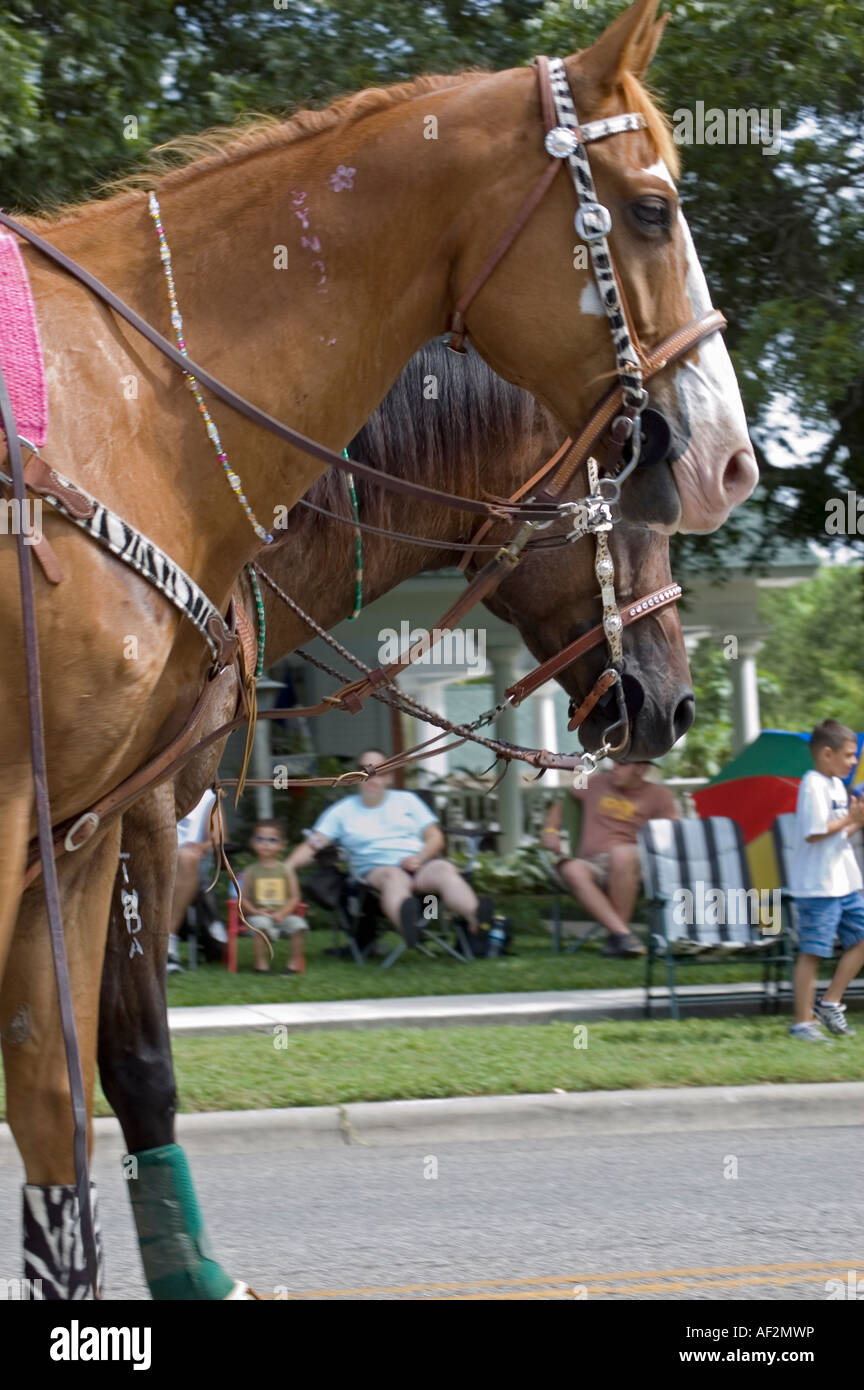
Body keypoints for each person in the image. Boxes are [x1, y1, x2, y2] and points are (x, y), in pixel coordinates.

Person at [285, 749, 493, 947]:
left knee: (444, 869)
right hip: (375, 871)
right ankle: (409, 927)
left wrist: (420, 857)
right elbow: (313, 845)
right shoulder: (341, 811)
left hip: (419, 866)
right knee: (393, 876)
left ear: (389, 777)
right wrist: (287, 867)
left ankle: (478, 919)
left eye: (379, 770)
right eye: (363, 770)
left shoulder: (408, 801)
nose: (370, 776)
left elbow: (435, 837)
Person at [541, 760, 678, 956]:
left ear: (640, 769)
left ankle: (620, 937)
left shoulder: (661, 796)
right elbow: (561, 803)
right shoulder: (592, 782)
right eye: (615, 762)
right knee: (572, 869)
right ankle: (622, 936)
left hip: (632, 865)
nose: (614, 767)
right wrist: (550, 830)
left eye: (622, 763)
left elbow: (670, 836)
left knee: (621, 854)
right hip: (591, 864)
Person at [788, 719, 864, 1042]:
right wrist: (849, 818)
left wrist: (856, 824)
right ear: (827, 754)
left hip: (844, 881)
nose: (854, 761)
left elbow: (836, 834)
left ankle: (830, 1002)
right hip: (818, 885)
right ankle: (803, 1023)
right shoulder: (813, 784)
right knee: (813, 952)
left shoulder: (836, 785)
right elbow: (814, 832)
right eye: (849, 755)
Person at [239, 820, 308, 975]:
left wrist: (282, 913)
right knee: (261, 925)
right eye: (260, 839)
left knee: (299, 926)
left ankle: (293, 963)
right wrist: (256, 912)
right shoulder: (251, 871)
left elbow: (295, 897)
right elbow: (243, 899)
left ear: (282, 845)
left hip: (283, 916)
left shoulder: (286, 870)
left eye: (272, 840)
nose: (265, 844)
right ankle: (260, 965)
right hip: (259, 916)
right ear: (253, 843)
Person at [168, 788, 218, 974]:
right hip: (155, 857)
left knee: (187, 857)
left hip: (189, 863)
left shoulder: (208, 797)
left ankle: (168, 945)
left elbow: (217, 838)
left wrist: (200, 846)